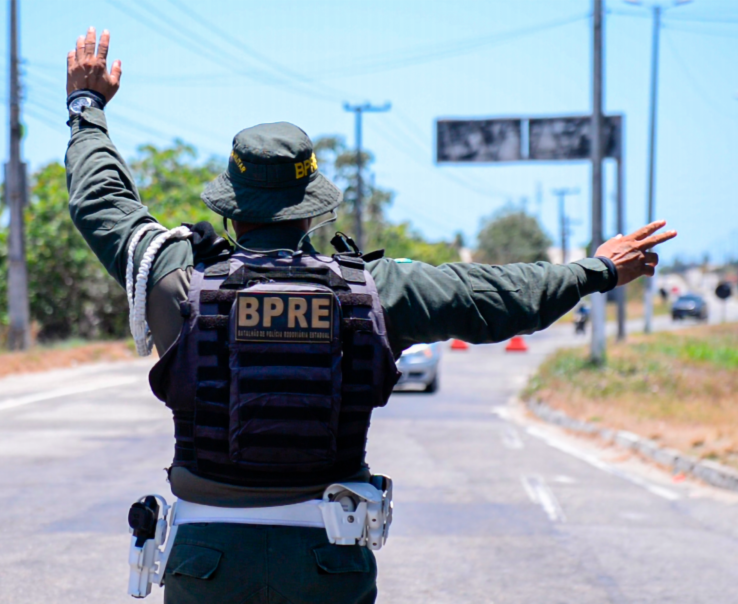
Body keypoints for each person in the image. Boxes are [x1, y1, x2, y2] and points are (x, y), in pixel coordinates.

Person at [65, 28, 677, 604]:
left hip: (207, 562)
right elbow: (496, 296)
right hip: (329, 562)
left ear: (230, 208)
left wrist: (87, 108)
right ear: (312, 211)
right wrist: (596, 270)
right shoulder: (373, 290)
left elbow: (101, 202)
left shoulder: (176, 277)